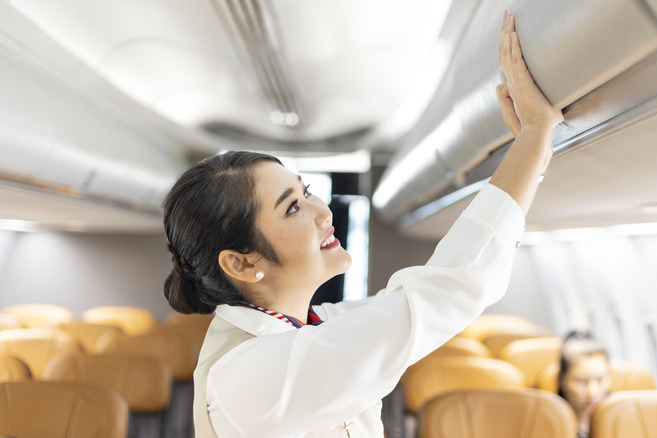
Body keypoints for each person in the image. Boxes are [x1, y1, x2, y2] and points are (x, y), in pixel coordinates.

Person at [163, 10, 562, 438]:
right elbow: (446, 291)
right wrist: (535, 135)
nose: (323, 211)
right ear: (242, 263)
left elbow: (418, 298)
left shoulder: (317, 323)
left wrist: (533, 152)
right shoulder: (252, 375)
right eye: (293, 208)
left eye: (307, 191)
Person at [557, 331, 611, 438]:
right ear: (562, 379)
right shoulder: (552, 422)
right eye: (581, 381)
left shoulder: (621, 416)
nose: (592, 391)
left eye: (600, 380)